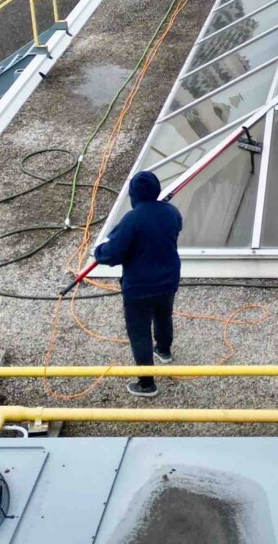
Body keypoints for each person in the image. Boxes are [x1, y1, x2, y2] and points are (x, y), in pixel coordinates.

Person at [92, 170, 183, 398]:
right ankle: (164, 351)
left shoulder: (131, 219)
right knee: (164, 315)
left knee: (139, 331)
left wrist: (99, 251)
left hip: (139, 287)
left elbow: (112, 255)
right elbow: (173, 229)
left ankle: (146, 384)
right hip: (169, 279)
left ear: (133, 195)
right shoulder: (171, 212)